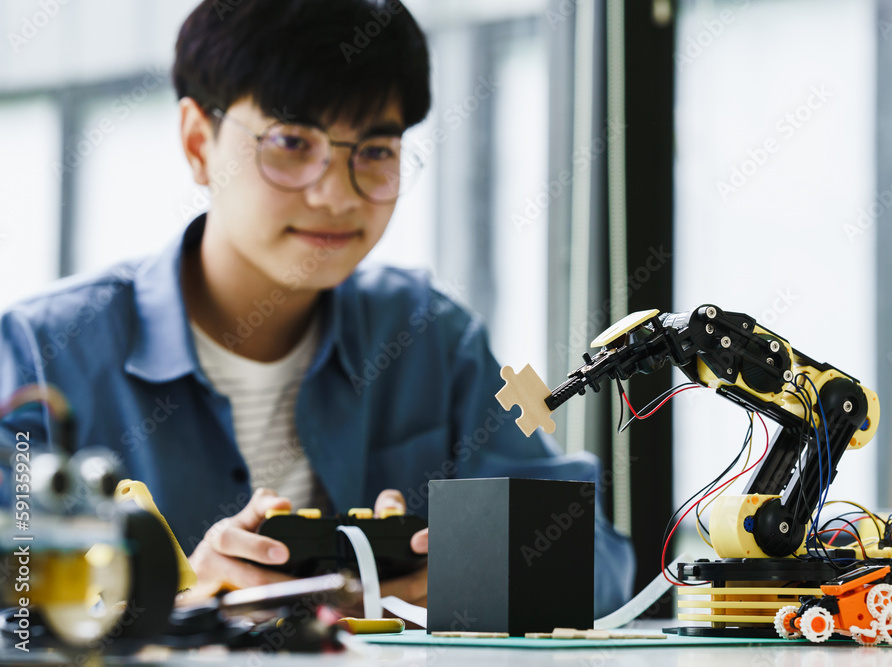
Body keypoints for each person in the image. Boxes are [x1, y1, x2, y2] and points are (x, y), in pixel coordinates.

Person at [0, 0, 634, 615]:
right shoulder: (43, 350)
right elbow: (15, 603)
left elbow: (601, 560)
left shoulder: (433, 339)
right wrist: (172, 598)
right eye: (292, 143)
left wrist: (471, 580)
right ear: (199, 143)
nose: (335, 194)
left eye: (376, 151)